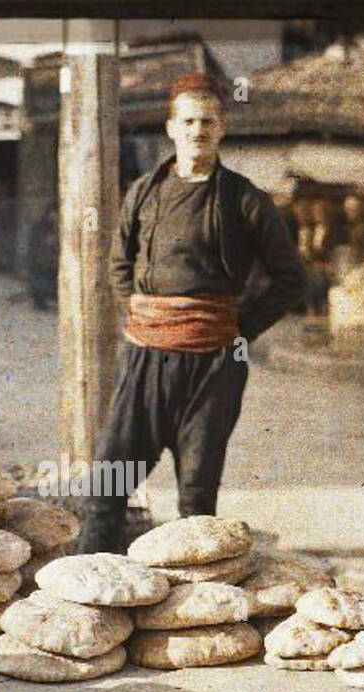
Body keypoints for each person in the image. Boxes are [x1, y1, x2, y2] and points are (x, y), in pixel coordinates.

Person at [78, 74, 307, 554]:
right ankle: (88, 594)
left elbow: (290, 281)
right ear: (171, 129)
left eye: (207, 121)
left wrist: (236, 325)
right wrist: (148, 313)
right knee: (107, 485)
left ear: (222, 129)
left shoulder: (246, 200)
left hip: (212, 365)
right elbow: (119, 264)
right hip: (145, 360)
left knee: (198, 495)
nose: (197, 130)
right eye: (188, 121)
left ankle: (193, 616)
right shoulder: (144, 192)